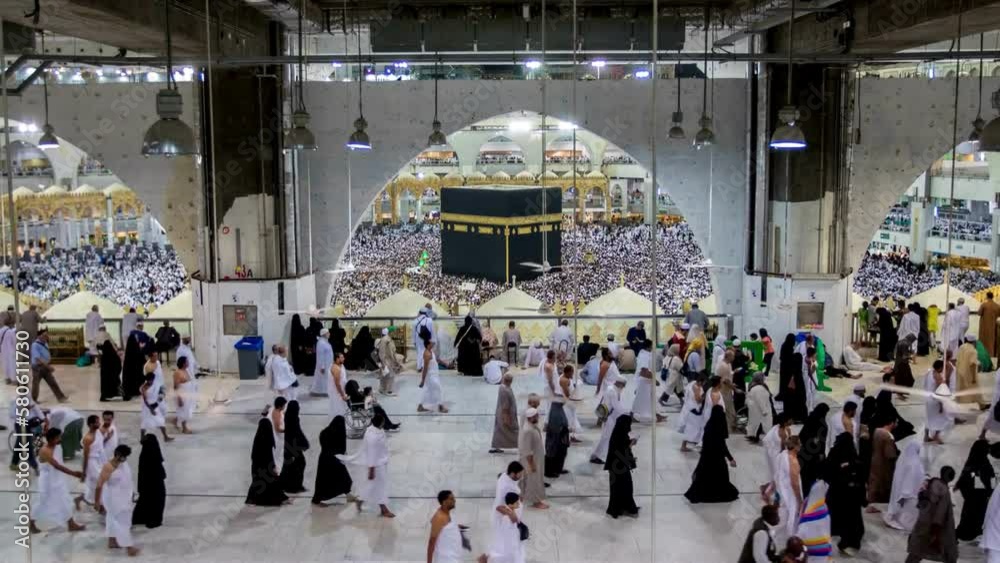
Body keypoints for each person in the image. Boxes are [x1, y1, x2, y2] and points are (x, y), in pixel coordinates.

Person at [29, 428, 86, 533]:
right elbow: (57, 466)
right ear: (52, 439)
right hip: (47, 482)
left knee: (64, 500)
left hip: (56, 479)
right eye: (58, 437)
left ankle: (71, 524)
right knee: (43, 502)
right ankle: (31, 522)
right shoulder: (45, 451)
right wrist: (74, 473)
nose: (60, 438)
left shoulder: (57, 446)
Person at [340, 413, 394, 517]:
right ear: (381, 423)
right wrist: (371, 469)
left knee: (372, 486)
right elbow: (372, 454)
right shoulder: (372, 437)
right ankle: (384, 509)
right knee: (380, 487)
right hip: (376, 466)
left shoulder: (375, 430)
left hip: (381, 462)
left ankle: (360, 500)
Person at [684, 405, 739, 503]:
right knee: (720, 477)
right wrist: (730, 458)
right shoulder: (719, 426)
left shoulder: (709, 425)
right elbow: (722, 445)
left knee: (705, 477)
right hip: (718, 458)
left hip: (707, 457)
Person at [906, 466, 958, 563]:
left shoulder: (930, 485)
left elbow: (921, 504)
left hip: (923, 524)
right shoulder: (945, 492)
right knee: (949, 552)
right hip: (937, 528)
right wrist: (936, 531)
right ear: (951, 477)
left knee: (917, 551)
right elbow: (940, 513)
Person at [825, 432, 865, 556]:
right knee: (851, 519)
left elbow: (827, 472)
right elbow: (860, 476)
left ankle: (841, 537)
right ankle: (849, 541)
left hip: (836, 493)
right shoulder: (853, 455)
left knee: (838, 516)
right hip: (851, 495)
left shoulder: (834, 452)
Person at [94, 444, 139, 556]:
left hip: (124, 496)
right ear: (118, 455)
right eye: (124, 456)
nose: (125, 459)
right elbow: (99, 485)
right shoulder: (108, 467)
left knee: (112, 518)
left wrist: (131, 493)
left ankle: (112, 541)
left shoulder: (123, 464)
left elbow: (128, 480)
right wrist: (96, 502)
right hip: (114, 498)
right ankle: (129, 547)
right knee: (122, 522)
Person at [955, 439, 995, 541]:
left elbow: (965, 476)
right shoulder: (983, 464)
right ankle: (972, 532)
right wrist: (991, 493)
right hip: (979, 497)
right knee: (976, 515)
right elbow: (988, 480)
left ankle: (966, 532)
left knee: (968, 514)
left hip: (971, 497)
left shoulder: (972, 460)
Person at [245, 418, 290, 506]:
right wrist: (272, 467)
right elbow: (266, 456)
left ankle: (281, 498)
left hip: (260, 467)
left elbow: (258, 456)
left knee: (264, 483)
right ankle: (252, 500)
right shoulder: (265, 439)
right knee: (264, 482)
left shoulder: (259, 438)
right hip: (262, 467)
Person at [312, 416, 354, 505]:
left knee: (322, 480)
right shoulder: (339, 434)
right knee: (344, 478)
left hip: (324, 459)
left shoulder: (324, 432)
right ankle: (317, 500)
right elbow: (342, 449)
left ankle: (348, 495)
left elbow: (322, 444)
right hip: (335, 460)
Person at [884, 440, 925, 531]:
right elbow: (910, 480)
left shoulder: (902, 459)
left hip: (899, 488)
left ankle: (895, 515)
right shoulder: (914, 463)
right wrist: (906, 493)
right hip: (908, 493)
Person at [605, 414, 640, 518]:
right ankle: (625, 508)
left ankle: (620, 507)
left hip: (617, 466)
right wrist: (630, 444)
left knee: (620, 488)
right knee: (624, 487)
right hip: (618, 467)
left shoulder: (618, 433)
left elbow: (622, 446)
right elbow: (621, 449)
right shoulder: (619, 435)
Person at [489, 462, 523, 560]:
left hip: (509, 515)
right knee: (504, 544)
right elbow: (499, 507)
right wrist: (513, 516)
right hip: (504, 519)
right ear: (513, 473)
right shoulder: (507, 487)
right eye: (520, 474)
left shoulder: (504, 476)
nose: (521, 476)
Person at [591, 375, 628, 463]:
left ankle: (596, 455)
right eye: (623, 385)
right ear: (620, 384)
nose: (623, 388)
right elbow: (616, 406)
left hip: (610, 417)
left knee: (606, 437)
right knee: (606, 437)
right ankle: (598, 456)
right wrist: (627, 413)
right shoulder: (613, 391)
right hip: (609, 417)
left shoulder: (612, 388)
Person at [132, 434, 166, 528]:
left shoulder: (144, 454)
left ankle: (140, 518)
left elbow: (141, 473)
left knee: (145, 501)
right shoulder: (154, 454)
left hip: (146, 485)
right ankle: (154, 520)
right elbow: (161, 472)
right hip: (156, 484)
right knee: (157, 502)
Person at [774, 436, 804, 543]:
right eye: (799, 443)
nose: (801, 445)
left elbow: (777, 474)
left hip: (781, 491)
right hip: (790, 493)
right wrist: (799, 500)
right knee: (791, 518)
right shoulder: (793, 461)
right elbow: (795, 483)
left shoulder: (782, 455)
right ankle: (789, 541)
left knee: (783, 517)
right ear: (795, 446)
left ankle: (778, 538)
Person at [518, 407, 547, 509]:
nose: (537, 417)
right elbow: (527, 450)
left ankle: (521, 496)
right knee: (534, 480)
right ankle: (536, 502)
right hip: (532, 461)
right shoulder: (528, 431)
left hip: (536, 458)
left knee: (526, 480)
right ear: (530, 418)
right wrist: (531, 464)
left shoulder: (532, 426)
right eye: (535, 416)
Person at [483, 491, 525, 563]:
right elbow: (506, 531)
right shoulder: (507, 517)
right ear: (510, 504)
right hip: (509, 541)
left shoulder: (511, 511)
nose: (519, 504)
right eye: (517, 503)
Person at [868, 415, 899, 511]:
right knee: (883, 483)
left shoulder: (877, 431)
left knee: (874, 482)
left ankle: (871, 503)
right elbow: (890, 455)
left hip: (875, 459)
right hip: (884, 464)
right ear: (892, 423)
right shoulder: (888, 436)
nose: (897, 424)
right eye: (896, 422)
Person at [797, 404, 830, 494]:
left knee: (805, 481)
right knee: (813, 480)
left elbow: (802, 435)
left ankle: (806, 500)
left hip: (804, 455)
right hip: (814, 458)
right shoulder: (822, 426)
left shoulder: (809, 419)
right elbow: (821, 444)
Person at [75, 415, 105, 511]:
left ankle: (80, 499)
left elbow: (100, 446)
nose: (99, 423)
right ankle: (100, 505)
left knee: (95, 486)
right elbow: (86, 456)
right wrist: (84, 472)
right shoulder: (88, 438)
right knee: (99, 484)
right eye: (97, 422)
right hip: (91, 464)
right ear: (91, 424)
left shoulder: (98, 432)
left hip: (99, 461)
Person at [279, 400, 309, 494]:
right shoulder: (294, 418)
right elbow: (297, 431)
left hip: (289, 445)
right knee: (299, 464)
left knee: (290, 465)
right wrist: (304, 443)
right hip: (293, 446)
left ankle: (288, 485)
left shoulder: (287, 416)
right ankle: (294, 486)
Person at [760, 413, 792, 501]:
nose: (792, 421)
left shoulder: (782, 428)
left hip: (774, 452)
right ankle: (767, 493)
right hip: (776, 454)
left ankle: (767, 488)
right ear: (785, 421)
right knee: (777, 474)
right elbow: (782, 448)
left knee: (775, 474)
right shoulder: (782, 432)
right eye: (790, 419)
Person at [633, 340, 665, 423]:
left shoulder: (645, 354)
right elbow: (644, 371)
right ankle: (633, 415)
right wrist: (655, 380)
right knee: (640, 400)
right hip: (644, 381)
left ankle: (657, 414)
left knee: (652, 398)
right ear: (648, 347)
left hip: (647, 381)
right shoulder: (644, 356)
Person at [31, 329, 67, 402]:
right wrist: (48, 367)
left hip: (45, 367)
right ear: (39, 336)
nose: (46, 337)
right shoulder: (35, 345)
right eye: (44, 335)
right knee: (36, 384)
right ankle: (33, 400)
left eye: (47, 335)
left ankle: (61, 398)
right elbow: (38, 359)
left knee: (52, 382)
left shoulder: (45, 343)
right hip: (38, 368)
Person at [428, 490, 463, 563]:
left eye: (454, 498)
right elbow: (432, 541)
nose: (454, 500)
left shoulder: (448, 514)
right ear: (444, 502)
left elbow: (446, 528)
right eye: (451, 499)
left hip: (454, 557)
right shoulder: (439, 517)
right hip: (445, 559)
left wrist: (457, 527)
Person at [778, 334, 807, 422]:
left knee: (787, 393)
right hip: (789, 374)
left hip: (785, 372)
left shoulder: (785, 346)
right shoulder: (797, 373)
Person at [139, 369, 172, 443]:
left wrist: (157, 403)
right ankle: (142, 438)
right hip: (147, 407)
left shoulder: (155, 384)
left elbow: (161, 391)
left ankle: (165, 437)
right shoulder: (143, 388)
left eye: (152, 380)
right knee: (144, 422)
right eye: (150, 380)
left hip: (155, 405)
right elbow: (145, 400)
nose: (151, 381)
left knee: (160, 421)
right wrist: (151, 409)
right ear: (147, 380)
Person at [490, 373, 519, 454]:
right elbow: (505, 405)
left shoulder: (504, 387)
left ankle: (497, 446)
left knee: (500, 430)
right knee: (512, 430)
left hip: (504, 413)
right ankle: (521, 444)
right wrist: (506, 416)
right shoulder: (504, 390)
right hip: (505, 414)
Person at [924, 360, 952, 444]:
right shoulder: (937, 376)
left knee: (928, 418)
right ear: (939, 368)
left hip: (928, 399)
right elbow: (941, 391)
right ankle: (936, 435)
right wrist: (941, 405)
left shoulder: (928, 372)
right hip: (935, 401)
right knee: (942, 418)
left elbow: (925, 385)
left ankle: (926, 436)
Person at [544, 391, 571, 478]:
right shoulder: (555, 412)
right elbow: (555, 428)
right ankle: (551, 471)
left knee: (562, 454)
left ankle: (558, 468)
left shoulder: (559, 409)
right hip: (557, 439)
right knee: (554, 453)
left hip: (562, 437)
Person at [957, 335, 987, 407]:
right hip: (969, 374)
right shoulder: (973, 351)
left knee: (962, 389)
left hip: (960, 372)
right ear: (974, 342)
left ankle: (981, 404)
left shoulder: (962, 347)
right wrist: (973, 378)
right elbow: (973, 364)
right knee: (975, 389)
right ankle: (981, 404)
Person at [419, 340, 448, 413]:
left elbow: (436, 360)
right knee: (438, 389)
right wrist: (422, 380)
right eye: (431, 343)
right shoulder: (427, 354)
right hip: (431, 376)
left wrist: (445, 364)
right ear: (428, 345)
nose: (433, 343)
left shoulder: (431, 351)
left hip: (434, 375)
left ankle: (420, 406)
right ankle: (440, 406)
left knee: (428, 391)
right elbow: (425, 368)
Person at [746, 372, 775, 441]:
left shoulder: (752, 385)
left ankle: (752, 436)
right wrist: (764, 410)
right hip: (760, 409)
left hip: (753, 409)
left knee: (754, 424)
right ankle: (754, 437)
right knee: (759, 424)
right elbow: (760, 400)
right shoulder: (760, 387)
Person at [172, 356, 196, 434]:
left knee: (186, 410)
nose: (188, 362)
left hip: (188, 394)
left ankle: (175, 421)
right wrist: (179, 398)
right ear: (183, 363)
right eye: (187, 361)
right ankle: (184, 428)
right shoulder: (177, 373)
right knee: (184, 411)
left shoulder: (186, 370)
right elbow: (176, 387)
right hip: (182, 395)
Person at [98, 327, 122, 401]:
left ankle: (105, 395)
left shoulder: (104, 358)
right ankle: (113, 393)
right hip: (113, 375)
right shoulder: (113, 355)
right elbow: (119, 366)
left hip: (105, 377)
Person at [376, 328, 403, 395]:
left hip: (387, 360)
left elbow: (390, 352)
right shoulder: (386, 340)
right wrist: (384, 362)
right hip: (387, 360)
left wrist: (395, 361)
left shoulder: (386, 339)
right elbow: (385, 352)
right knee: (390, 375)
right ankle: (389, 390)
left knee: (384, 375)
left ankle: (382, 389)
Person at [311, 328, 333, 396]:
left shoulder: (325, 342)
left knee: (327, 377)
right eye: (328, 333)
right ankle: (322, 390)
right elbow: (320, 356)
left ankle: (327, 390)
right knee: (323, 378)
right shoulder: (321, 343)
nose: (329, 334)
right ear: (324, 334)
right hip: (324, 364)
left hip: (328, 363)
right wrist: (322, 366)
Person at [980, 292, 1000, 359]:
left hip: (984, 326)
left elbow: (979, 313)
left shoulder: (984, 305)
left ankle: (985, 354)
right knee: (993, 340)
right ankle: (993, 354)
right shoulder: (997, 306)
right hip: (994, 326)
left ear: (987, 296)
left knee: (984, 341)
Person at [329, 352, 348, 419]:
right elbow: (337, 384)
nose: (344, 359)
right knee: (338, 408)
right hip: (337, 392)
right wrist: (342, 395)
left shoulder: (341, 366)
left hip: (342, 389)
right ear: (337, 359)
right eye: (342, 357)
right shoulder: (336, 369)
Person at [802, 347, 818, 413]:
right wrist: (815, 383)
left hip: (806, 375)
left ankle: (810, 406)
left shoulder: (804, 357)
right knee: (810, 392)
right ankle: (810, 407)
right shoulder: (810, 361)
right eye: (815, 353)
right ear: (812, 354)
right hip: (810, 378)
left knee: (808, 391)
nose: (816, 354)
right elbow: (810, 373)